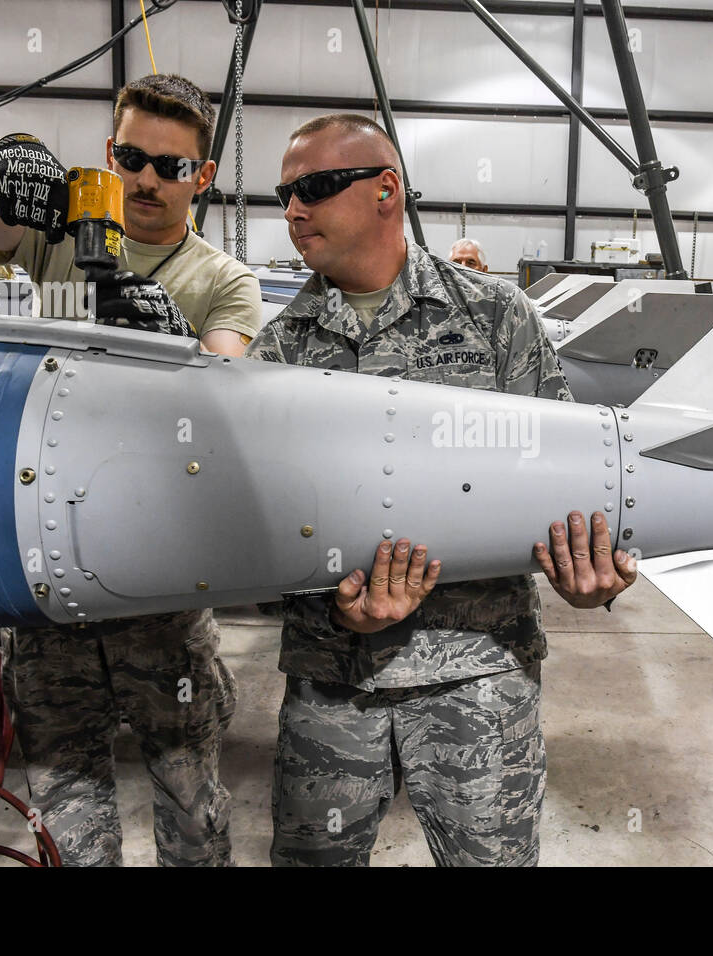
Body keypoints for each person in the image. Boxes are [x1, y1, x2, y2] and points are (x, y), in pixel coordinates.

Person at [249, 113, 638, 867]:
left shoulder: (496, 319)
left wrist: (594, 584)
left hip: (478, 679)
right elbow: (257, 546)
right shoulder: (278, 352)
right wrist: (336, 611)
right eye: (286, 193)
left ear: (386, 191)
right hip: (334, 685)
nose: (295, 210)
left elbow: (576, 485)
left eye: (317, 188)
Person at [0, 73, 261, 866]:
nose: (146, 180)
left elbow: (222, 405)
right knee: (67, 818)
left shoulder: (224, 282)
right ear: (110, 153)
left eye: (171, 167)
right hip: (48, 587)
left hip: (162, 596)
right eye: (132, 158)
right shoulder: (53, 237)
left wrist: (174, 336)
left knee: (192, 807)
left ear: (202, 178)